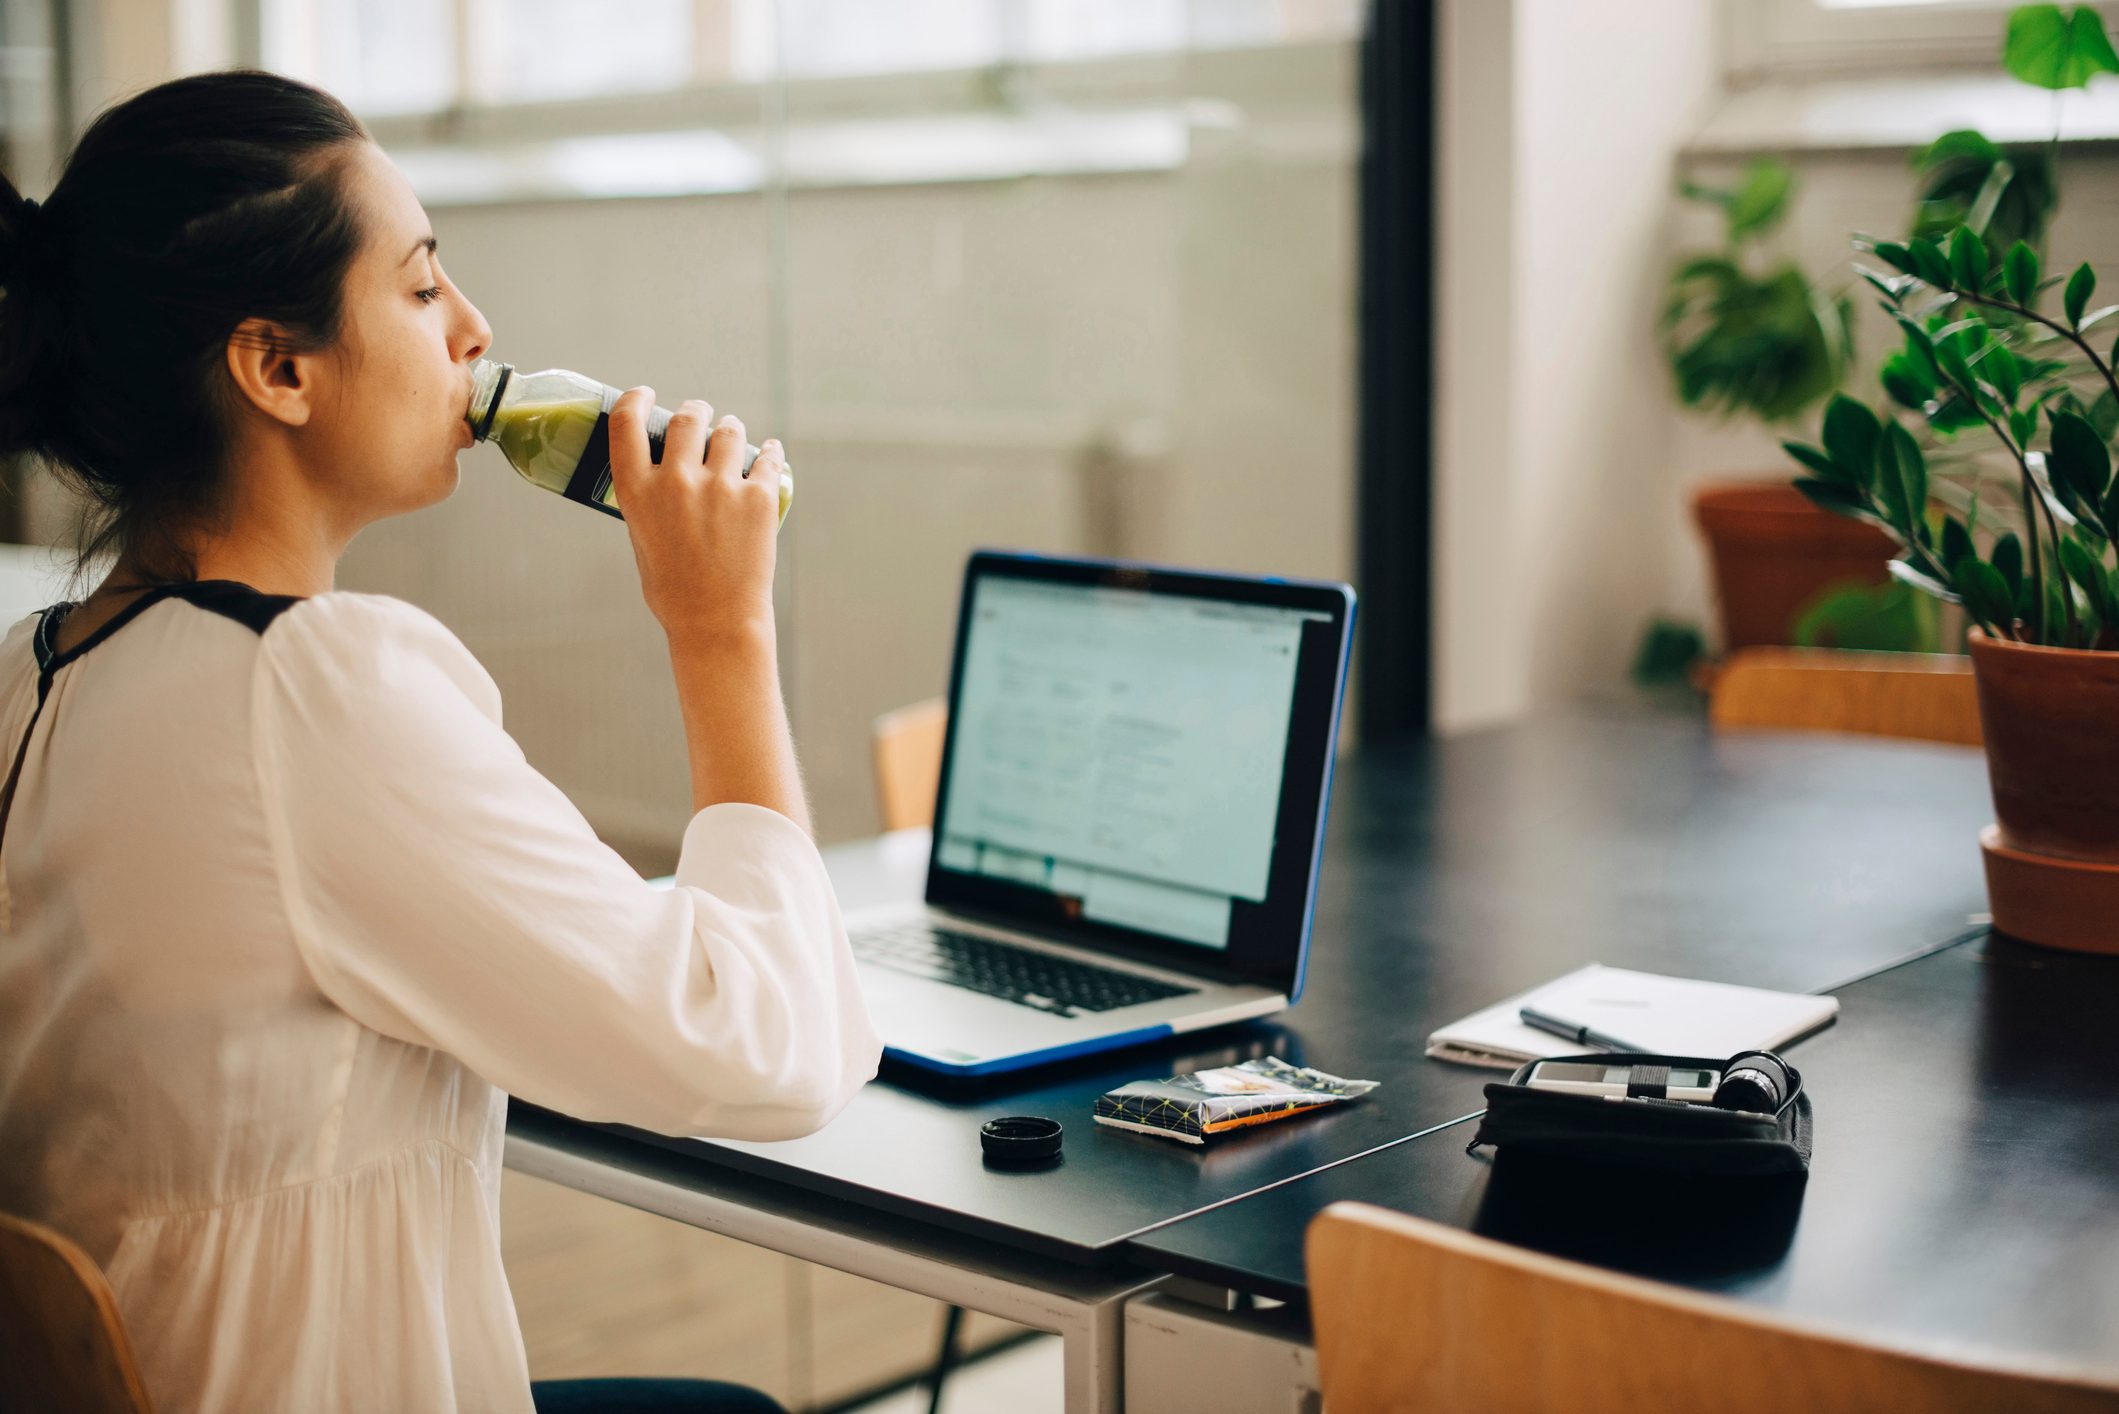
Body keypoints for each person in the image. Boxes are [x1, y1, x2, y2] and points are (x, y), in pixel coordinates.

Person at [0, 70, 881, 1414]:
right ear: (277, 368)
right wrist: (721, 630)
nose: (474, 329)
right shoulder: (317, 687)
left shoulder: (31, 678)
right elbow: (772, 1051)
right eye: (420, 291)